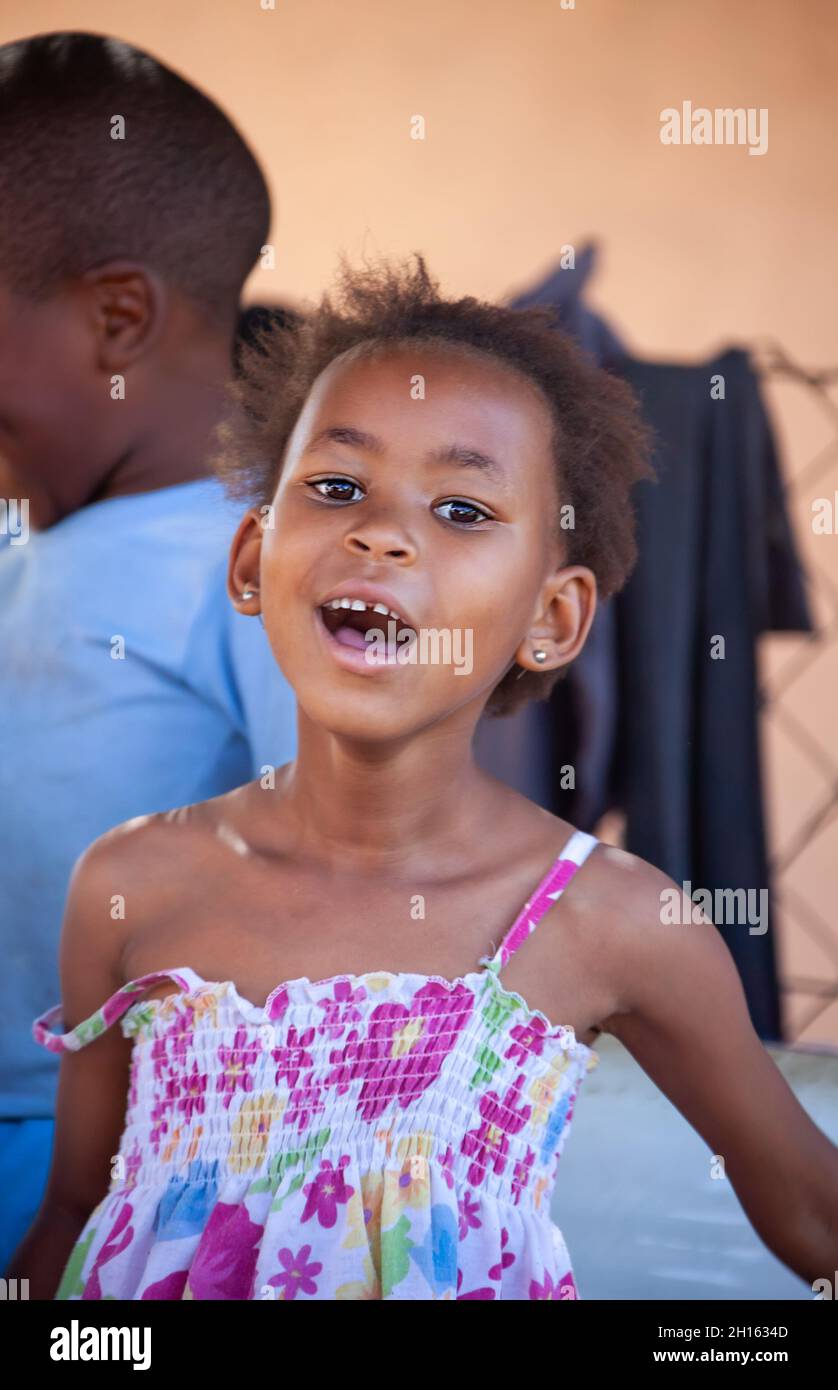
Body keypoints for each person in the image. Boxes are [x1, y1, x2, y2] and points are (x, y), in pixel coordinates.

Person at [11, 253, 838, 1300]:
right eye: (339, 486)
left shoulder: (609, 920)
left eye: (461, 510)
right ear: (253, 561)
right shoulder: (132, 881)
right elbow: (77, 1215)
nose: (383, 532)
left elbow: (812, 1211)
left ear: (553, 618)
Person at [0, 32, 297, 1271]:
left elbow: (346, 903)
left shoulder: (260, 569)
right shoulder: (31, 538)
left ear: (117, 318)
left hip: (120, 1165)